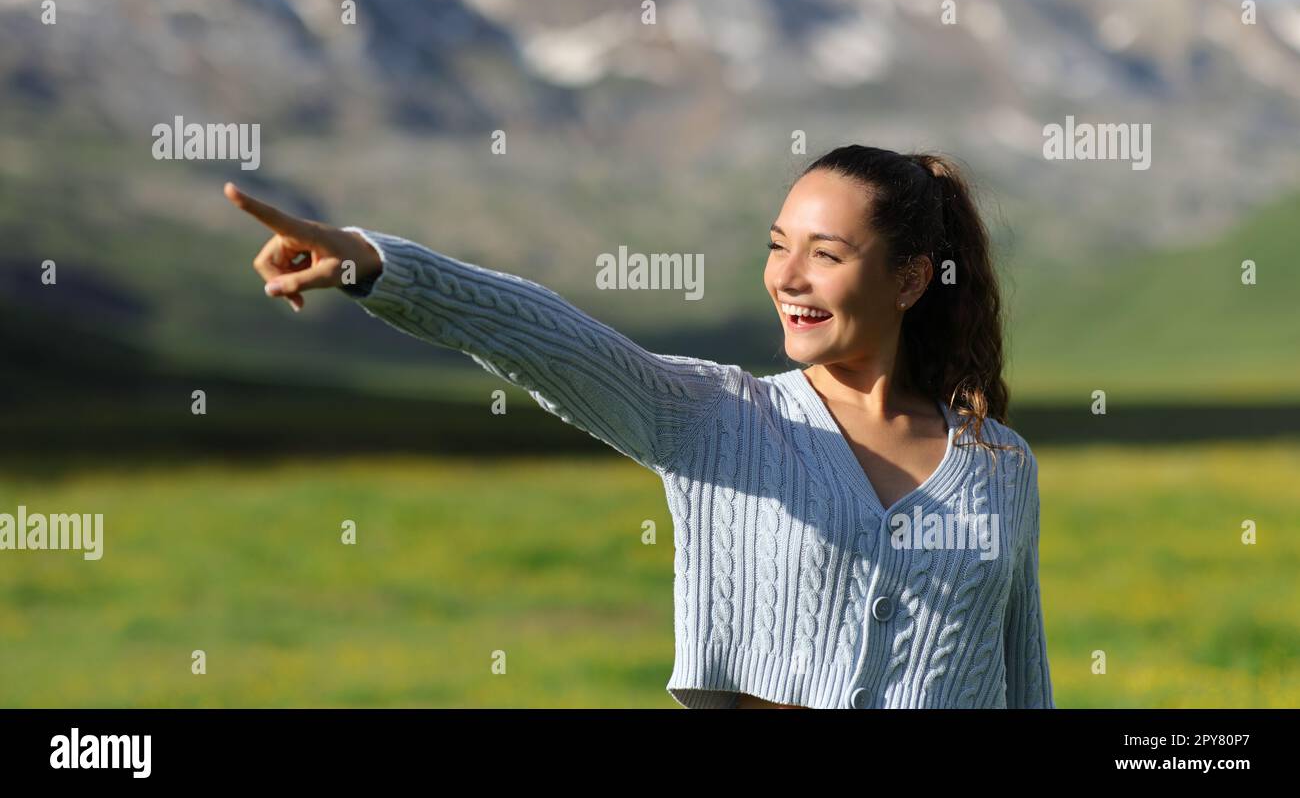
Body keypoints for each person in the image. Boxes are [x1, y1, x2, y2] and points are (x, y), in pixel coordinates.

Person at [223, 144, 1054, 709]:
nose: (787, 277)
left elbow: (1023, 675)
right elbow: (550, 341)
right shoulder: (718, 420)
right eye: (777, 246)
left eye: (826, 255)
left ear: (910, 279)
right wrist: (379, 265)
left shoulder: (999, 465)